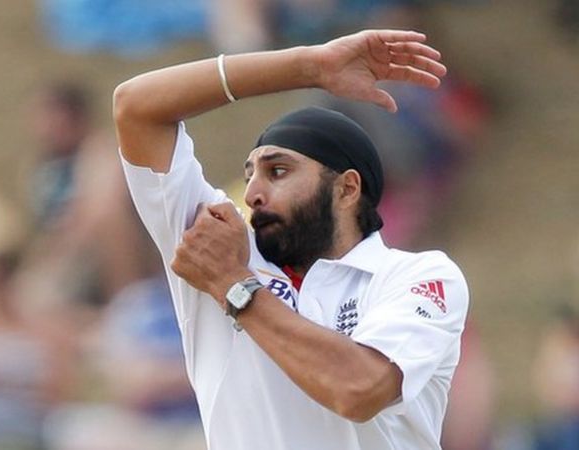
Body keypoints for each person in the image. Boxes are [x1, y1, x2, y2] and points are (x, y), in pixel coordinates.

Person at [113, 29, 469, 449]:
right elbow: (135, 106)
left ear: (347, 189)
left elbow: (358, 389)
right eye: (250, 175)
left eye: (278, 171)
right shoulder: (219, 244)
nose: (252, 194)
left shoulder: (417, 276)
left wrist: (236, 288)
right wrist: (309, 67)